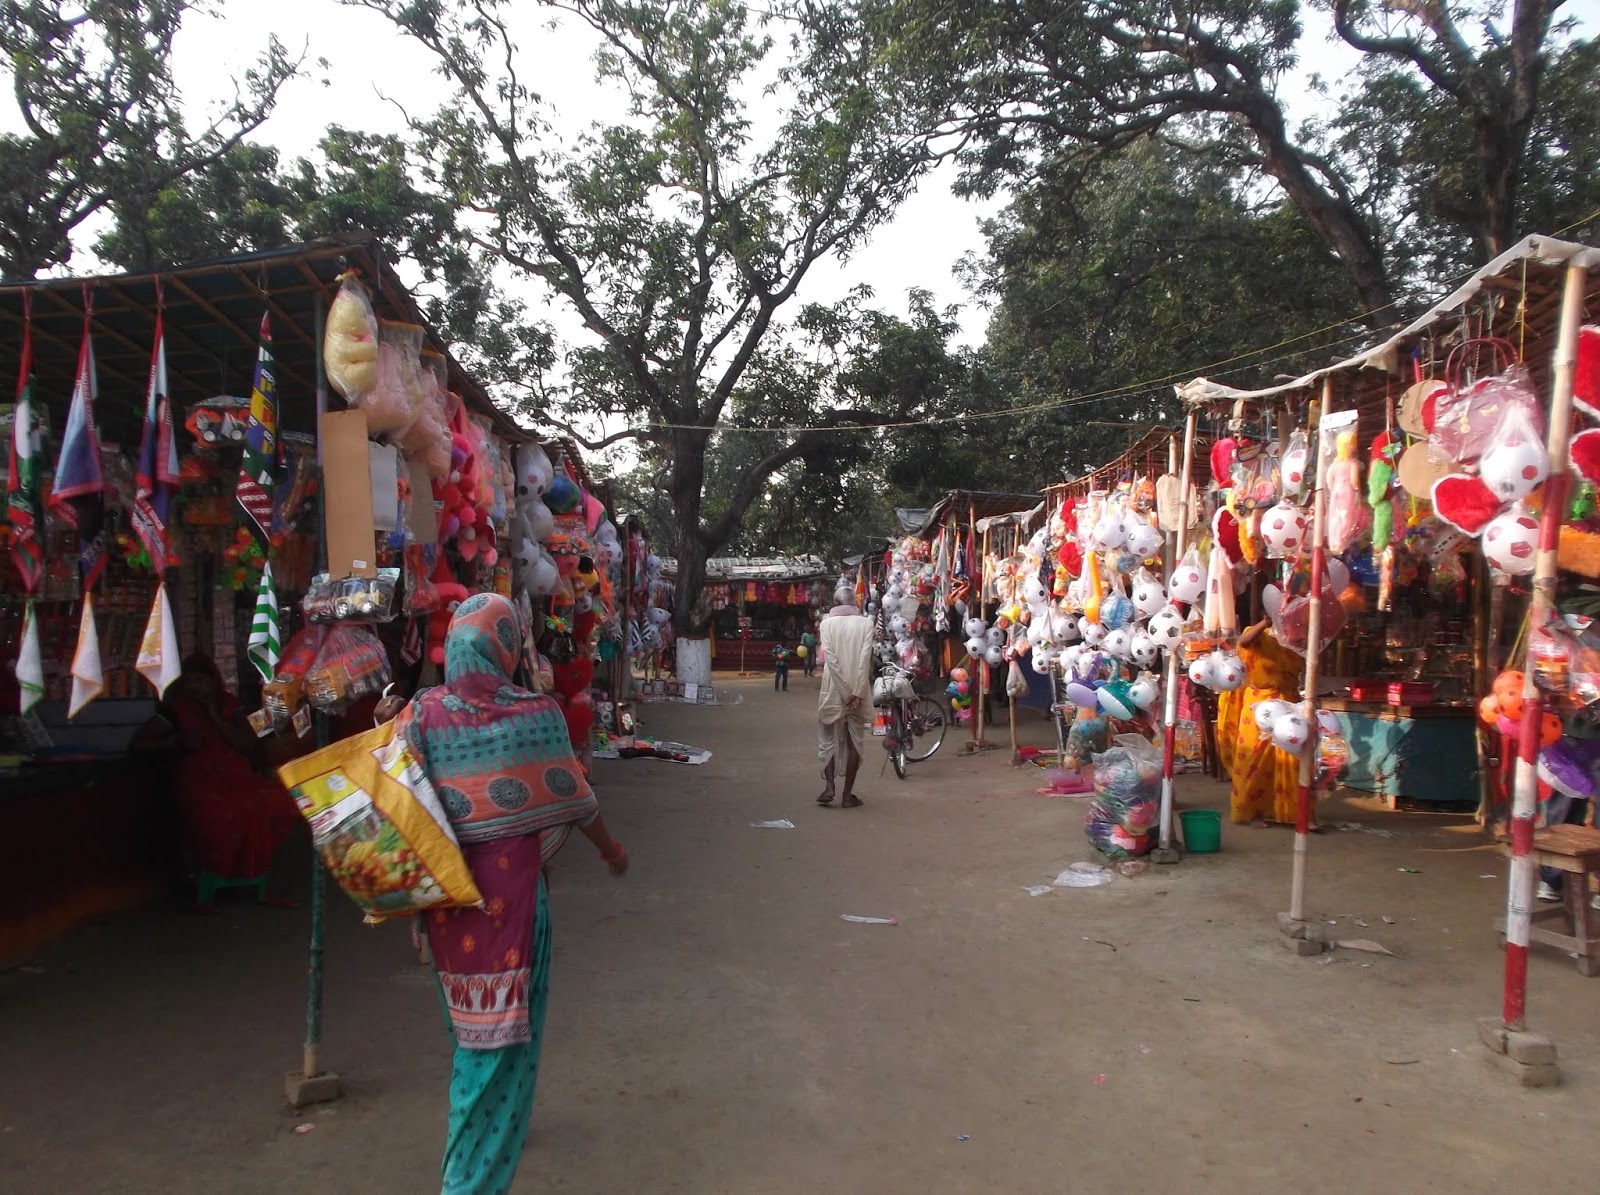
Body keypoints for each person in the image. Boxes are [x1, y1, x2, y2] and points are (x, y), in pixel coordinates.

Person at [390, 593, 628, 1195]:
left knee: (473, 1037)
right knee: (500, 1046)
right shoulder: (536, 714)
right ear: (506, 646)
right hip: (515, 912)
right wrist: (609, 849)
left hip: (445, 908)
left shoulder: (419, 714)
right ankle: (468, 1184)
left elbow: (400, 805)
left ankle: (491, 1140)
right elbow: (576, 800)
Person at [130, 654, 299, 904]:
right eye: (190, 681)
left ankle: (254, 879)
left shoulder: (233, 707)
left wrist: (217, 718)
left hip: (237, 778)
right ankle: (207, 882)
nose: (196, 686)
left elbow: (250, 746)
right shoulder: (173, 710)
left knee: (271, 802)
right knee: (218, 812)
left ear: (214, 681)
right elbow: (138, 744)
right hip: (199, 782)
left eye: (201, 679)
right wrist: (176, 741)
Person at [1216, 618, 1306, 827]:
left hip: (1289, 701)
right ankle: (1252, 812)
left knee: (1292, 758)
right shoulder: (1258, 634)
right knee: (1254, 758)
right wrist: (1264, 623)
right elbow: (1244, 642)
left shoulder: (1295, 641)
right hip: (1260, 704)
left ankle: (1296, 813)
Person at [816, 588, 873, 808]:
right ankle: (847, 796)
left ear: (834, 602)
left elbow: (830, 659)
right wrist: (857, 692)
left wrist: (843, 691)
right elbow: (864, 659)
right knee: (854, 742)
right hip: (858, 692)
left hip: (832, 689)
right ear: (854, 602)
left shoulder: (826, 624)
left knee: (827, 739)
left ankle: (829, 785)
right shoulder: (866, 624)